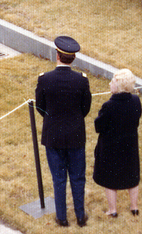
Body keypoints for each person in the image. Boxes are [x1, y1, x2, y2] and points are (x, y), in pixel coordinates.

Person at [35, 36, 91, 227]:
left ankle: (62, 217)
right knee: (77, 177)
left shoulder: (45, 79)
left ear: (57, 55)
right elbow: (85, 109)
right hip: (75, 135)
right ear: (73, 58)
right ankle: (80, 216)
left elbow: (41, 108)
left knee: (58, 178)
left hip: (53, 136)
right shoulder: (81, 81)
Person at [93, 69, 141, 218]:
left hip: (111, 147)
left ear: (119, 86)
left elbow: (98, 126)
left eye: (113, 81)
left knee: (110, 179)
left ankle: (112, 210)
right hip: (130, 145)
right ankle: (134, 207)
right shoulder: (135, 101)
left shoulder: (109, 106)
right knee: (132, 176)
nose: (110, 83)